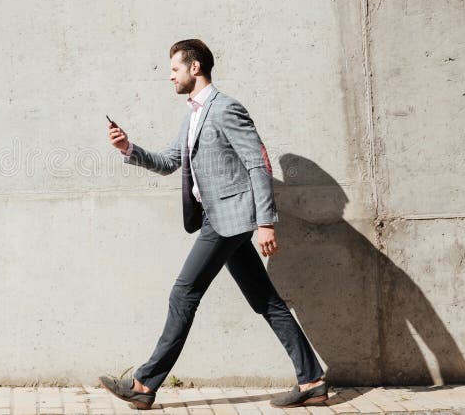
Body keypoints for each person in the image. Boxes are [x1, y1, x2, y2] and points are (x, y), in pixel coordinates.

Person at [100, 39, 328, 410]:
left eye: (174, 68)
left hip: (229, 221)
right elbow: (169, 161)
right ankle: (313, 381)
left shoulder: (226, 109)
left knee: (183, 293)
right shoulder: (192, 116)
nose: (169, 76)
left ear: (195, 68)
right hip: (220, 220)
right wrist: (129, 148)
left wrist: (265, 222)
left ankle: (144, 385)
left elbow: (257, 164)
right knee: (266, 301)